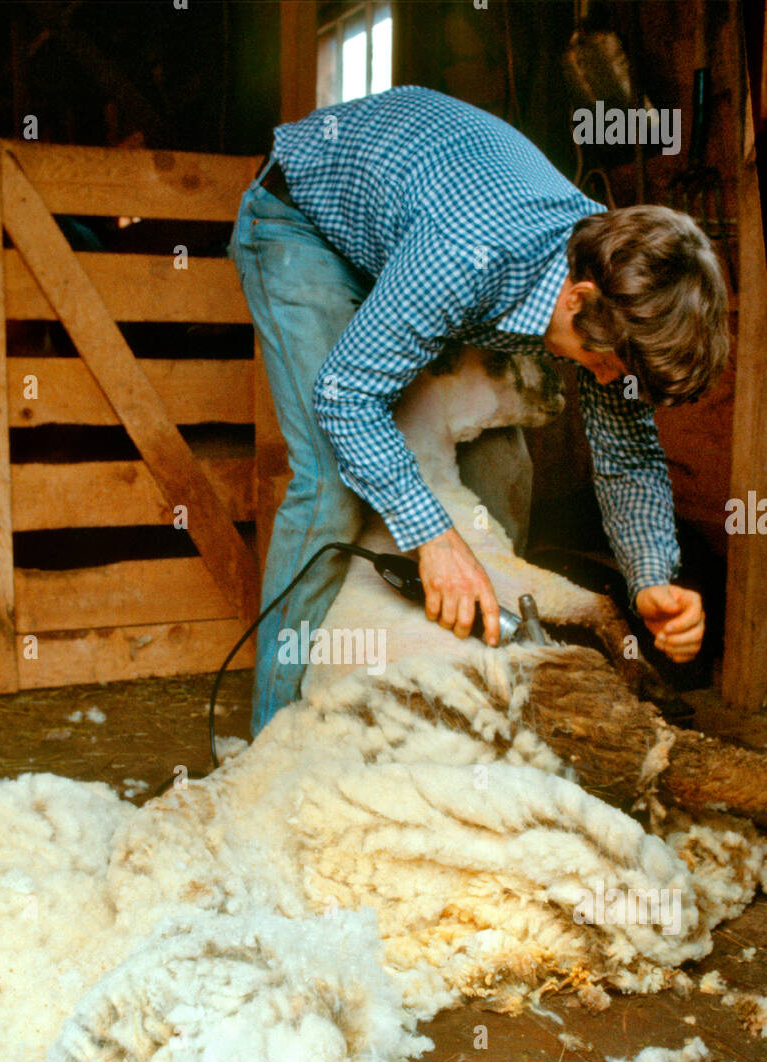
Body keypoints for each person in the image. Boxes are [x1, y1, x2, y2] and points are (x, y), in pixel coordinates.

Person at [228, 85, 729, 737]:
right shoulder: (468, 253)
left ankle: (477, 684)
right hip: (301, 222)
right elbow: (346, 395)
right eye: (607, 366)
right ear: (577, 299)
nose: (607, 383)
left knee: (501, 467)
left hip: (410, 241)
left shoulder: (616, 281)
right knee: (328, 485)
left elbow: (629, 457)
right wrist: (433, 540)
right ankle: (274, 735)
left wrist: (651, 581)